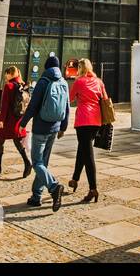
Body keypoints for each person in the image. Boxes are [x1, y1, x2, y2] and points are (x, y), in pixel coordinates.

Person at [19, 55, 69, 211]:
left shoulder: (43, 81)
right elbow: (67, 107)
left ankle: (54, 186)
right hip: (55, 127)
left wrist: (23, 123)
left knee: (37, 162)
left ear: (46, 67)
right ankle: (36, 196)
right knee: (43, 163)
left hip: (41, 128)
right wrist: (63, 127)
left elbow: (33, 105)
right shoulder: (63, 82)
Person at [68, 58, 107, 203]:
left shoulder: (79, 82)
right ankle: (75, 179)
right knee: (83, 149)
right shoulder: (99, 82)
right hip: (96, 121)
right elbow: (105, 99)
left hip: (83, 121)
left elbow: (70, 98)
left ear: (80, 68)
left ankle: (93, 188)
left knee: (88, 154)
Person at [0, 65, 32, 177]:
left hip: (8, 119)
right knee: (16, 140)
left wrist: (1, 120)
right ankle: (26, 162)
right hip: (18, 118)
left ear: (10, 74)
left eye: (6, 74)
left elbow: (4, 105)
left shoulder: (9, 86)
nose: (5, 77)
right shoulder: (22, 84)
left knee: (1, 141)